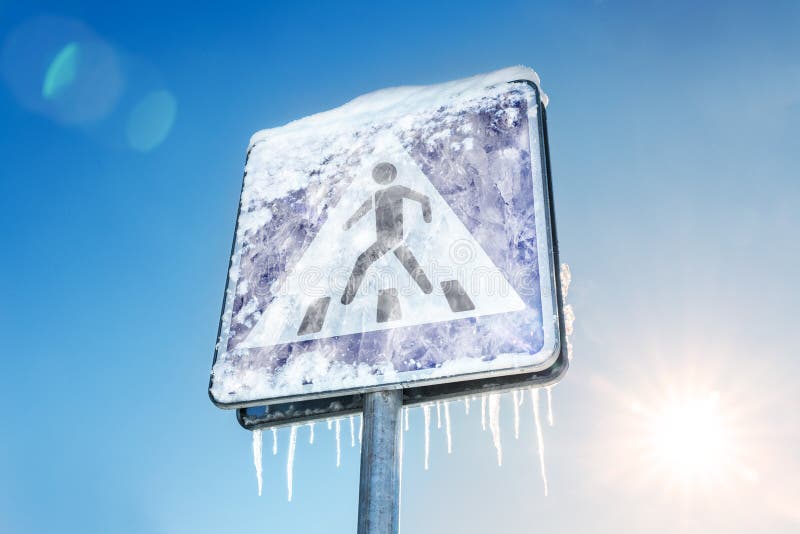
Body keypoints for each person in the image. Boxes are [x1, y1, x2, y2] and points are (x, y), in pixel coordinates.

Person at [341, 162, 433, 305]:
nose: (382, 176)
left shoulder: (397, 190)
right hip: (389, 239)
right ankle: (427, 287)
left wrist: (427, 217)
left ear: (390, 175)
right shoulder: (378, 195)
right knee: (407, 261)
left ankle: (347, 299)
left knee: (362, 262)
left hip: (389, 238)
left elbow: (424, 199)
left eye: (384, 173)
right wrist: (348, 223)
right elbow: (362, 210)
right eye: (380, 173)